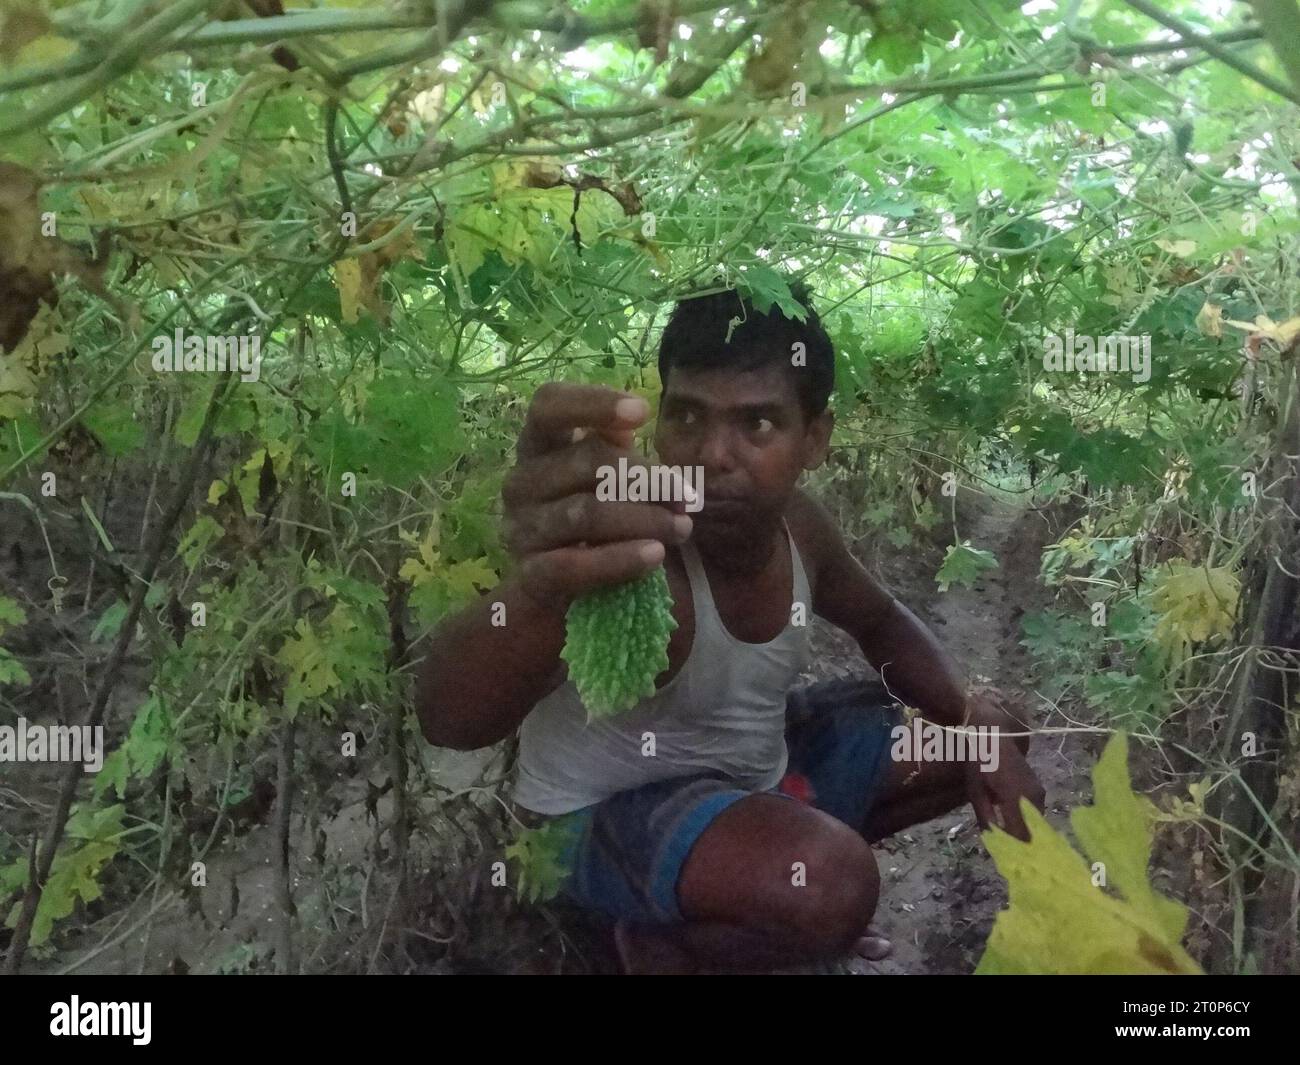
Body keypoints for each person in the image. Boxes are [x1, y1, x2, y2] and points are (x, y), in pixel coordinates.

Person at [416, 283, 1045, 974]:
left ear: (816, 438)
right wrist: (537, 588)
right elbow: (448, 719)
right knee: (832, 880)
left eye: (758, 424)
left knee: (992, 732)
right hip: (598, 818)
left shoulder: (801, 530)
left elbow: (881, 621)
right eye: (686, 415)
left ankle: (756, 906)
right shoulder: (627, 546)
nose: (713, 453)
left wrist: (970, 711)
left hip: (754, 781)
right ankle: (667, 945)